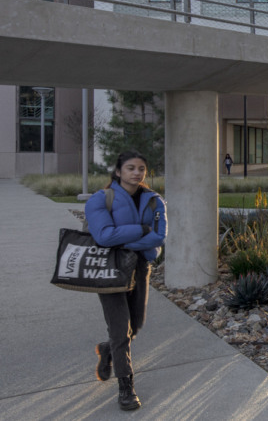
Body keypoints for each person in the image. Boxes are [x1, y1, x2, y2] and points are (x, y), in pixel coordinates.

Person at [85, 150, 168, 412]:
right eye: (130, 168)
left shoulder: (154, 201)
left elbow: (158, 237)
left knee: (136, 325)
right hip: (110, 268)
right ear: (118, 172)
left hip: (140, 267)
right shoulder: (101, 199)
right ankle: (126, 387)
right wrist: (142, 230)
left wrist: (129, 237)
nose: (136, 173)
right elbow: (104, 237)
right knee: (121, 329)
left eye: (141, 168)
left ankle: (107, 349)